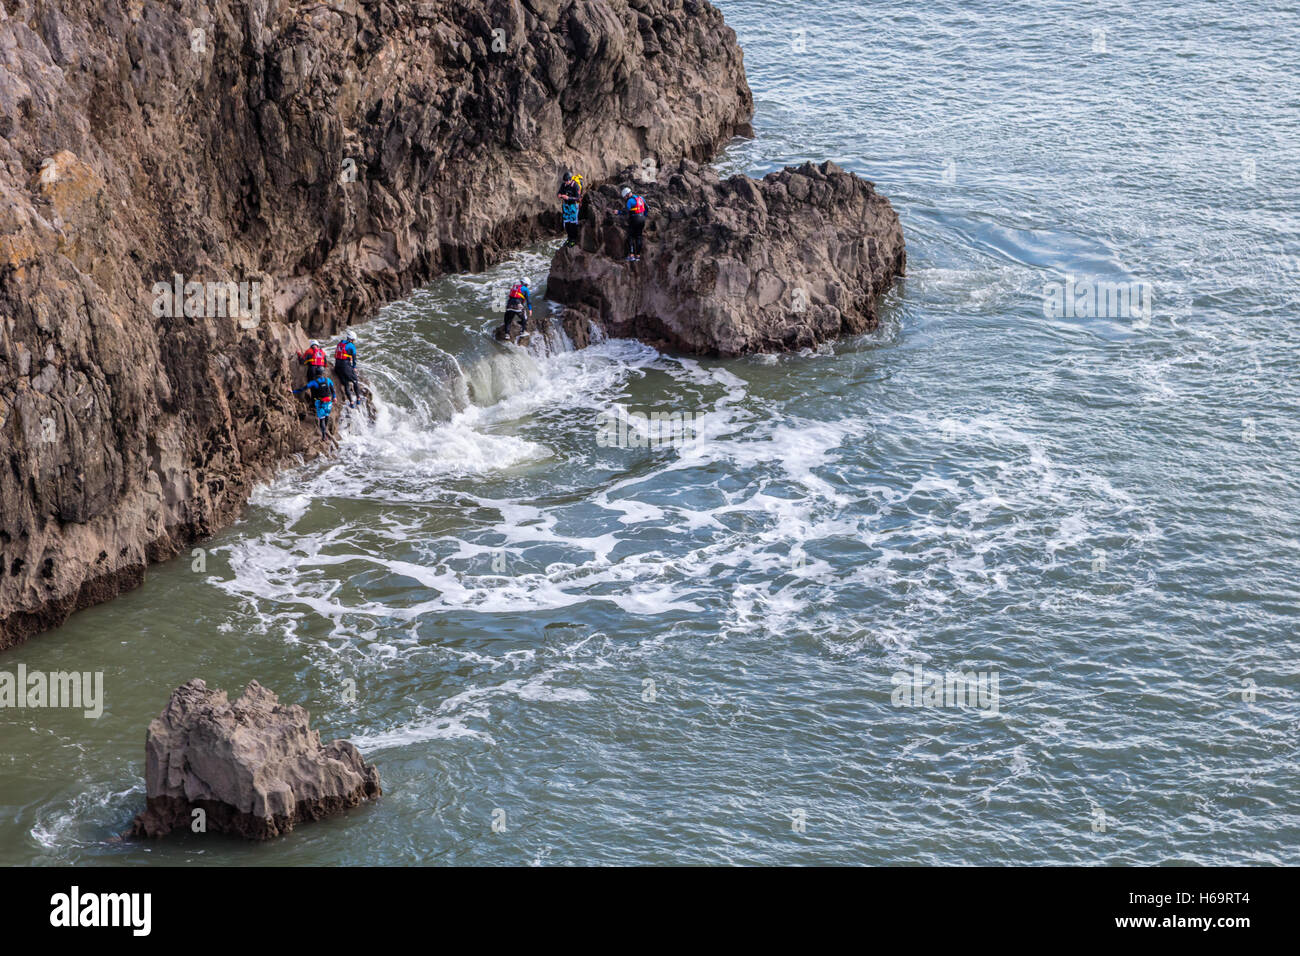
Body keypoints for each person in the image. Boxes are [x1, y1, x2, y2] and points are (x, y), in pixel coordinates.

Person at [292, 373, 336, 441]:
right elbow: (333, 389)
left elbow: (303, 388)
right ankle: (325, 428)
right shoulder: (328, 380)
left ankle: (324, 436)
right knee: (327, 415)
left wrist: (293, 391)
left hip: (321, 402)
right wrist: (335, 397)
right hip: (329, 401)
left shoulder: (314, 382)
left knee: (322, 419)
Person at [617, 187, 647, 261]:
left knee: (630, 236)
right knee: (639, 236)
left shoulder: (630, 201)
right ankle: (638, 256)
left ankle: (631, 255)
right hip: (642, 219)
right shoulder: (641, 198)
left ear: (626, 195)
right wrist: (643, 216)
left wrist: (618, 212)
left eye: (624, 197)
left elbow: (626, 211)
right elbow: (647, 208)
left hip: (635, 219)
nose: (625, 199)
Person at [334, 330, 361, 407]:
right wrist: (354, 367)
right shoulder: (351, 346)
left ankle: (351, 402)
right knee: (355, 381)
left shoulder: (340, 343)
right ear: (351, 339)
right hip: (344, 366)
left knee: (346, 384)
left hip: (337, 366)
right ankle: (358, 399)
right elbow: (354, 358)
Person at [558, 173, 583, 246]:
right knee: (567, 223)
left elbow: (578, 198)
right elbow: (560, 191)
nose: (566, 182)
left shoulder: (575, 186)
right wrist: (559, 194)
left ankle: (573, 239)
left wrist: (569, 198)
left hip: (573, 206)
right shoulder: (563, 185)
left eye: (567, 181)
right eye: (565, 181)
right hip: (566, 206)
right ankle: (569, 238)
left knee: (573, 223)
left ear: (571, 180)